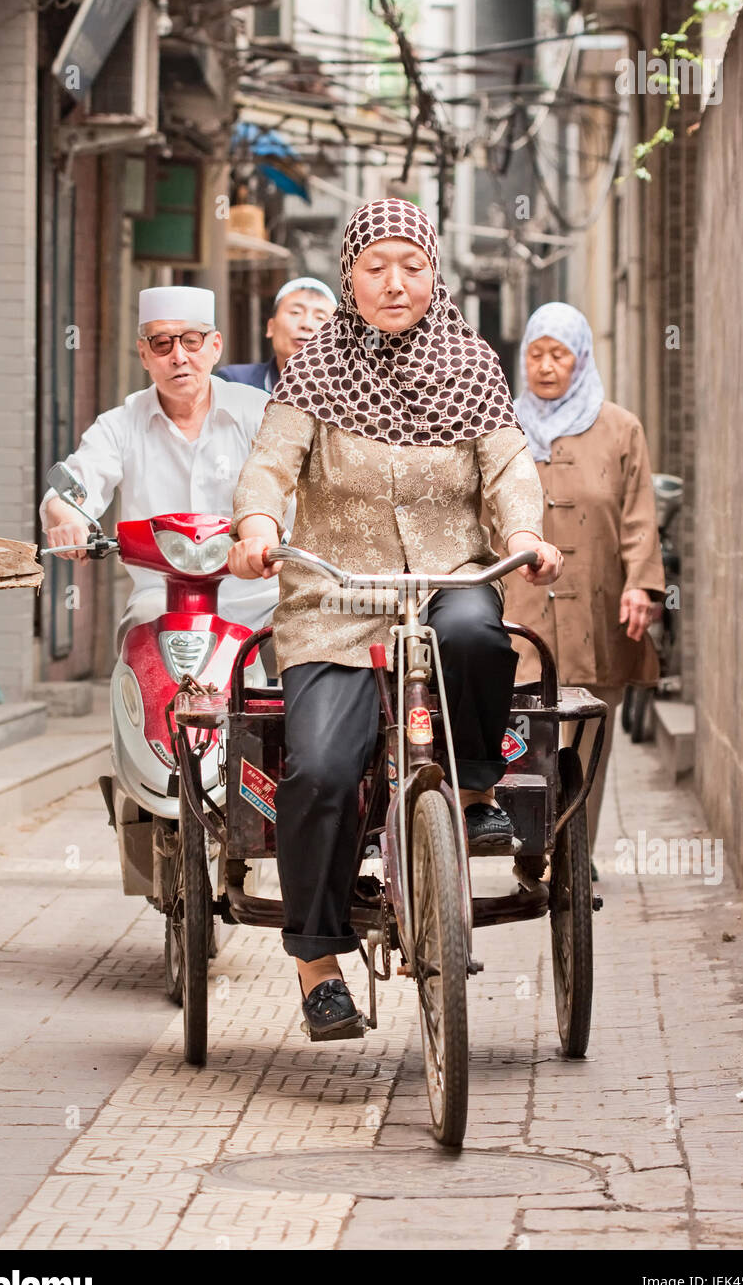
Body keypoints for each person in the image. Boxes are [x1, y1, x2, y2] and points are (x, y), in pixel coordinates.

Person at [228, 199, 563, 1038]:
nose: (395, 282)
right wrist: (260, 525)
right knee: (321, 770)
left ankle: (476, 783)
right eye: (375, 266)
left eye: (411, 265)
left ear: (434, 271)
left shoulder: (474, 363)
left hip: (445, 575)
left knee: (479, 633)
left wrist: (524, 530)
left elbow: (508, 466)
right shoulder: (313, 370)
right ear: (348, 276)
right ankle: (316, 962)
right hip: (334, 601)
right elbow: (270, 466)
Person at [505, 301, 665, 870]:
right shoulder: (503, 426)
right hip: (521, 612)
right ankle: (529, 845)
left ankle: (576, 855)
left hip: (600, 608)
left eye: (559, 355)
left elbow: (638, 515)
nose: (546, 367)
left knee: (591, 736)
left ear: (581, 359)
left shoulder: (620, 428)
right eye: (535, 354)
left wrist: (642, 586)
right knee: (529, 731)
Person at [40, 286, 283, 649]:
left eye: (191, 341)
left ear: (215, 346)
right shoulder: (119, 425)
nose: (178, 356)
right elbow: (69, 492)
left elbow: (293, 481)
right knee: (139, 637)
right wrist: (69, 522)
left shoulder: (257, 411)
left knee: (300, 658)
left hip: (261, 599)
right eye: (162, 344)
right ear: (143, 353)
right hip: (162, 597)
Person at [216, 277, 338, 393]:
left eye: (320, 317)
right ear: (271, 327)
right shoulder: (236, 383)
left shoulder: (348, 393)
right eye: (296, 312)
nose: (306, 324)